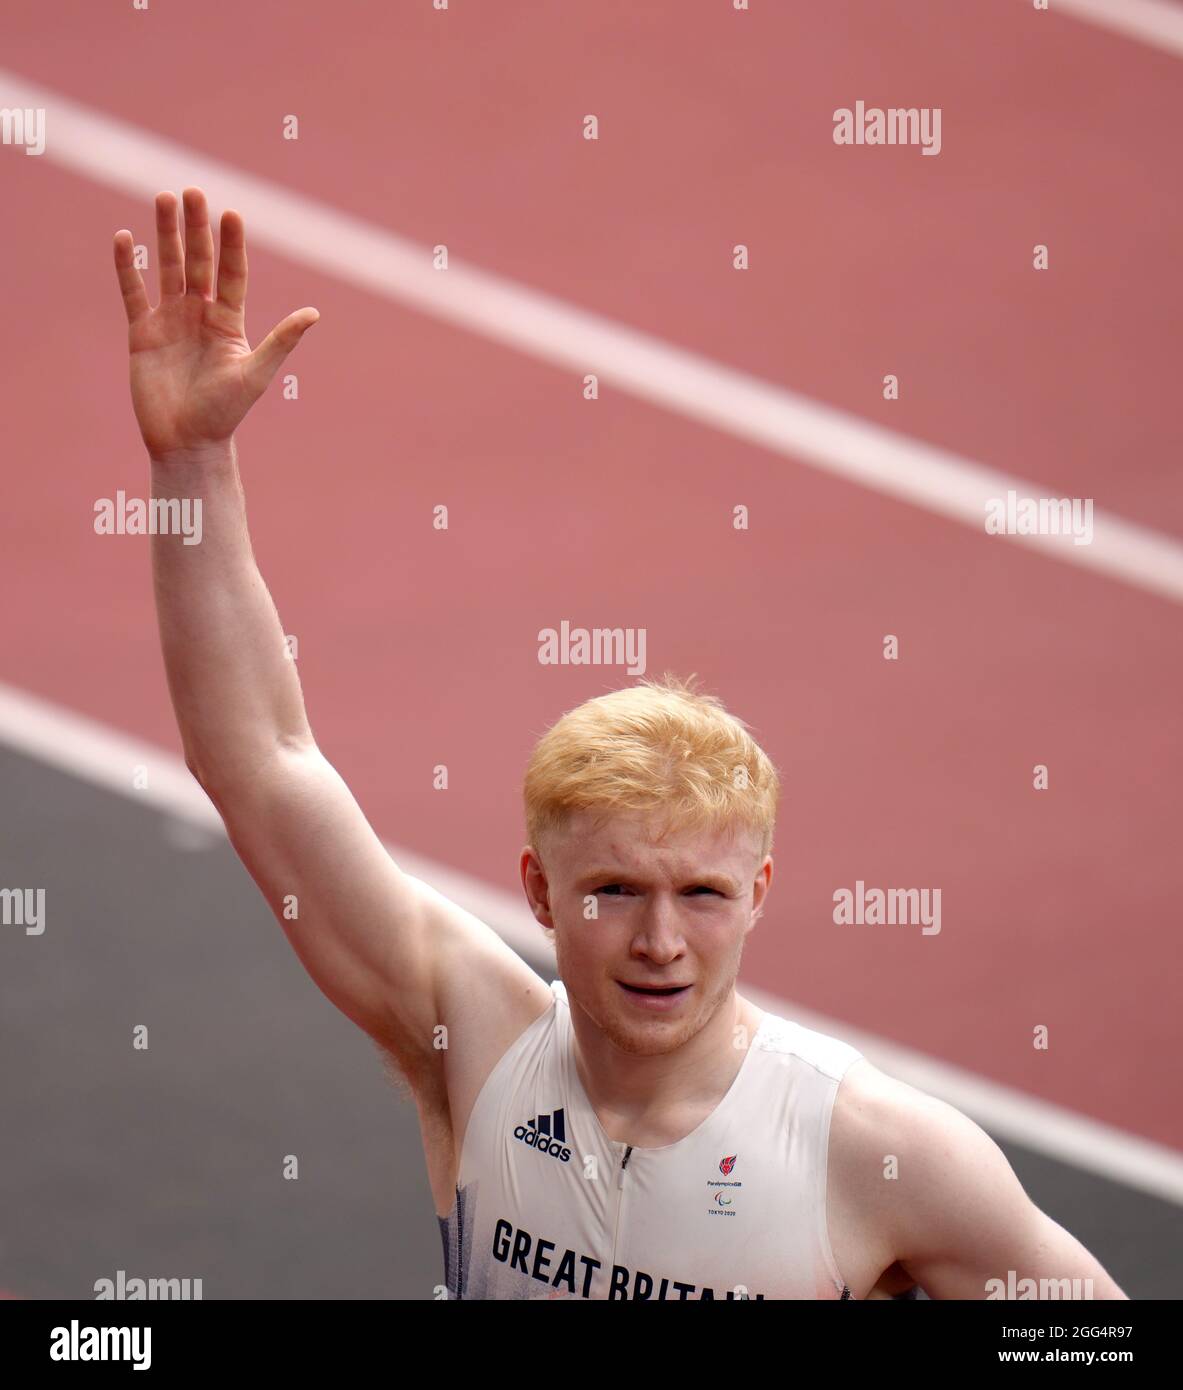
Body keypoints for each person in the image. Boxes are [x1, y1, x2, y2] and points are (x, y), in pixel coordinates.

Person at [113, 187, 1128, 1301]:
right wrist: (193, 465)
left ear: (759, 893)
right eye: (613, 889)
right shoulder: (475, 1040)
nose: (660, 941)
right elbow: (259, 760)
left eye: (700, 891)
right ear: (538, 891)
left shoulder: (880, 1155)